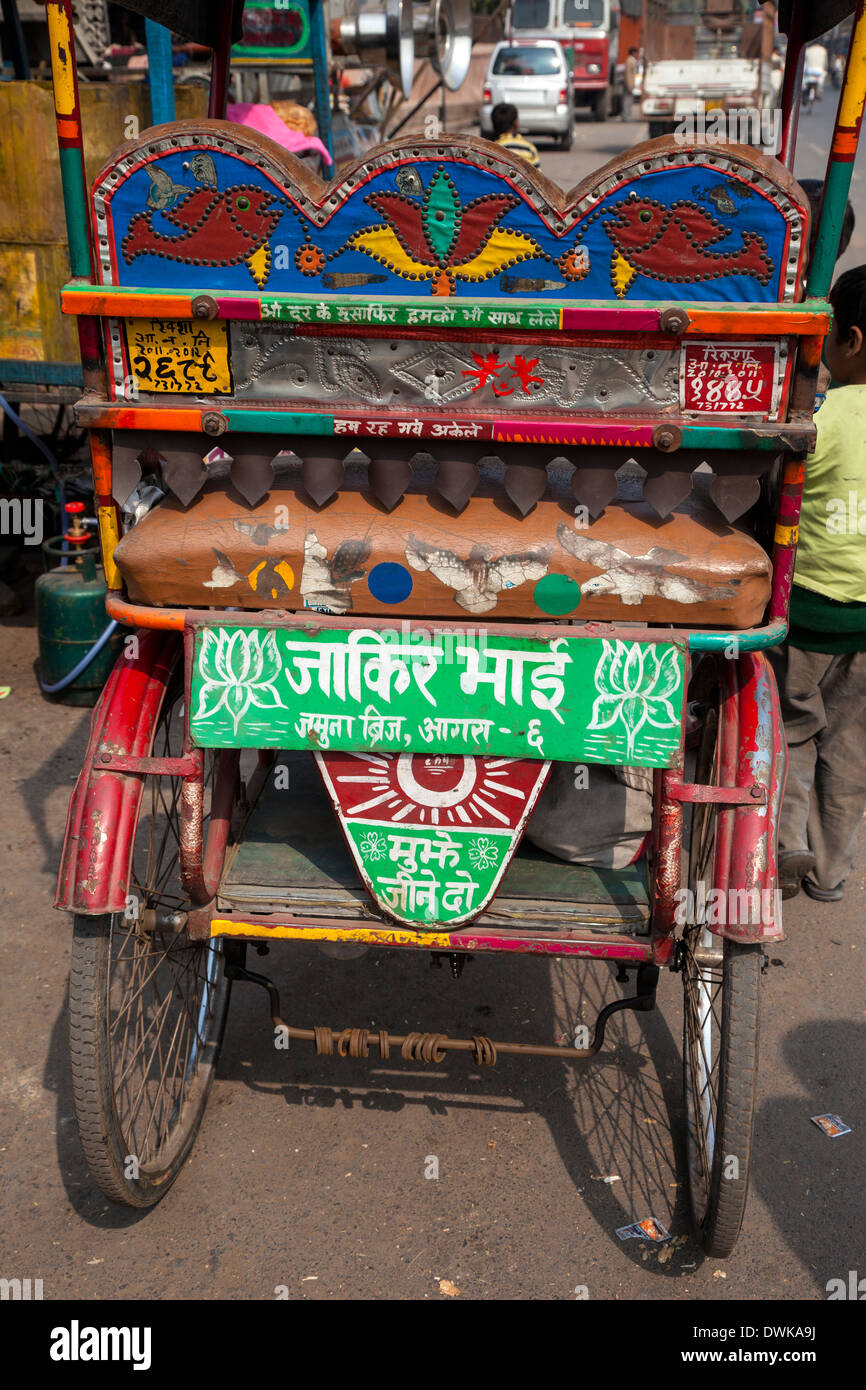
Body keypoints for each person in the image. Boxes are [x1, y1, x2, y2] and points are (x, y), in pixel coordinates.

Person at [771, 265, 866, 901]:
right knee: (852, 746)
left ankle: (785, 851)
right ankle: (831, 871)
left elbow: (778, 482)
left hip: (810, 611)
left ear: (849, 340)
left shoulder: (826, 413)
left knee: (793, 730)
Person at [489, 102, 540, 167]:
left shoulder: (493, 149)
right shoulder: (529, 148)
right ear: (516, 122)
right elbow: (537, 175)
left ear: (494, 127)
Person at [622, 47, 639, 121]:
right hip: (628, 84)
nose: (637, 54)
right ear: (633, 53)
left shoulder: (632, 61)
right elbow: (628, 74)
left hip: (630, 83)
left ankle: (627, 116)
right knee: (627, 100)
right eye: (636, 53)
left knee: (629, 100)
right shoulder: (629, 61)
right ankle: (626, 116)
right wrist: (629, 85)